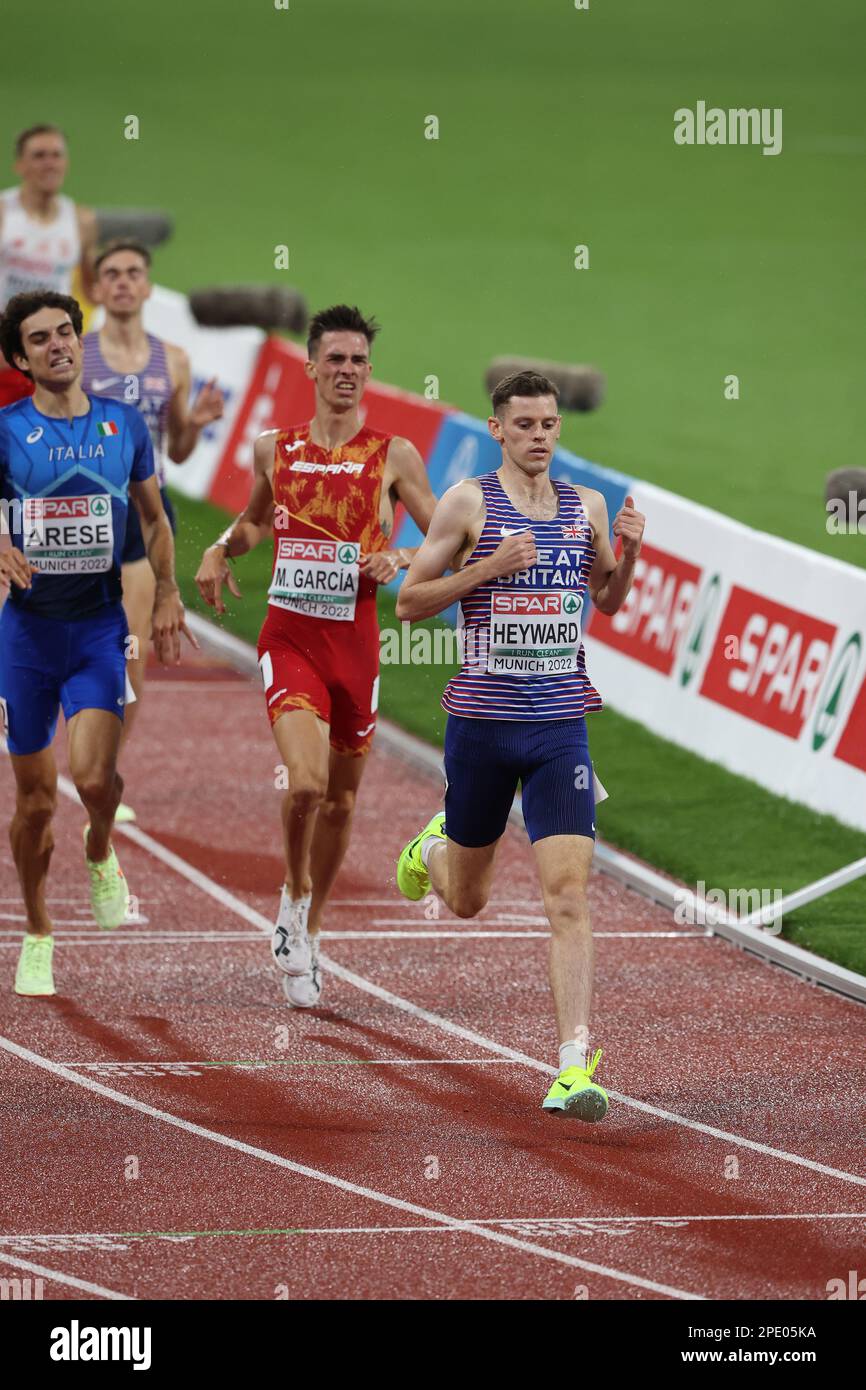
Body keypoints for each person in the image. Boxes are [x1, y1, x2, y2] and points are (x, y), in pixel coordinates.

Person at [395, 370, 645, 1120]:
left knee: (567, 897)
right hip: (480, 729)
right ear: (497, 430)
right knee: (467, 900)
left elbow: (605, 599)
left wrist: (627, 556)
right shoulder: (469, 502)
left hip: (560, 730)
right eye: (525, 424)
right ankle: (431, 850)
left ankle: (573, 1062)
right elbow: (409, 601)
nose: (540, 435)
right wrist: (490, 568)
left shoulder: (585, 506)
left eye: (550, 424)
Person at [195, 304, 436, 1008]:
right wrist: (217, 548)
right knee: (304, 785)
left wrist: (401, 555)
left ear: (369, 370)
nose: (347, 371)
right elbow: (252, 523)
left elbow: (445, 537)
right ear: (310, 367)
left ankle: (312, 924)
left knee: (341, 802)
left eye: (358, 360)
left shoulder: (395, 455)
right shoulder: (274, 447)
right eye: (335, 359)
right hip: (291, 638)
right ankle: (293, 894)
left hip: (356, 647)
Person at [0, 290, 190, 997]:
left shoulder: (121, 426)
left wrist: (167, 591)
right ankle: (39, 930)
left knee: (94, 781)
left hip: (98, 632)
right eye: (39, 339)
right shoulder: (6, 431)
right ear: (20, 359)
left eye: (65, 334)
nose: (57, 345)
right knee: (36, 801)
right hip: (24, 637)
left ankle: (102, 847)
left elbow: (155, 517)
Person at [82, 238, 224, 819]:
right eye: (110, 273)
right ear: (95, 287)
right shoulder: (75, 355)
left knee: (131, 645)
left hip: (147, 508)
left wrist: (196, 422)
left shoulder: (176, 360)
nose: (121, 282)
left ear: (146, 286)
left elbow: (182, 451)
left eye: (132, 273)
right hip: (79, 505)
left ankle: (107, 771)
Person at [0, 125, 98, 409]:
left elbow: (92, 291)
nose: (49, 163)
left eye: (56, 155)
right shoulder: (4, 214)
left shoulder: (81, 220)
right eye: (39, 155)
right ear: (20, 165)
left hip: (52, 366)